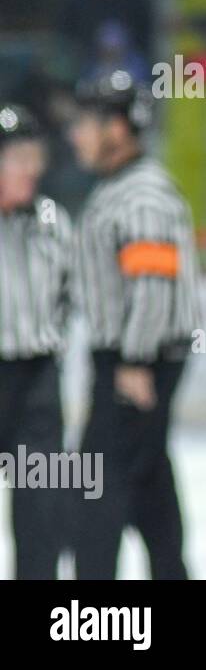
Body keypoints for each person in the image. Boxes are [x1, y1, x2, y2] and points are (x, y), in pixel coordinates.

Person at [67, 70, 201, 579]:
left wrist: (135, 361)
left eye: (85, 122)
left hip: (135, 361)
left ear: (117, 129)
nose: (76, 135)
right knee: (148, 487)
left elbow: (152, 285)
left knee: (97, 490)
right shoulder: (121, 189)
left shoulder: (141, 195)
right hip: (133, 359)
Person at [0, 103, 73, 579]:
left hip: (37, 385)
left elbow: (71, 296)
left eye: (35, 157)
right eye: (18, 158)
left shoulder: (54, 222)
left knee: (41, 511)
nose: (32, 169)